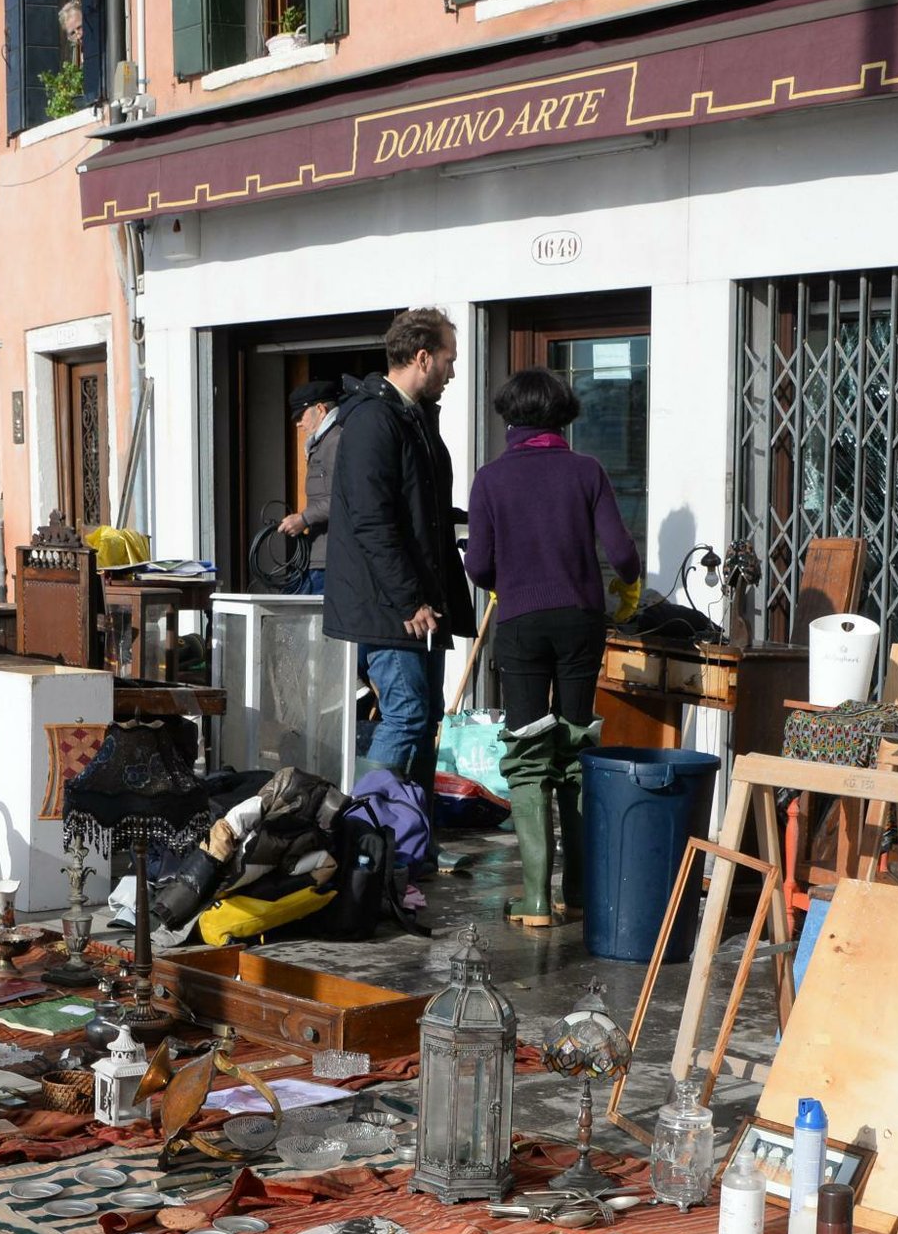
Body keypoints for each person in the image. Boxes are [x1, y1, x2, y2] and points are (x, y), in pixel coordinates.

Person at [464, 366, 641, 927]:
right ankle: (581, 890)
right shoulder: (587, 471)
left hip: (520, 621)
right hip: (581, 621)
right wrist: (625, 587)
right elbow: (623, 552)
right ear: (563, 418)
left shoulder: (490, 479)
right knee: (575, 745)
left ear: (510, 420)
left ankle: (537, 899)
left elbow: (479, 566)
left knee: (528, 752)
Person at [323, 309, 476, 805]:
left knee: (424, 718)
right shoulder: (374, 420)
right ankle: (368, 834)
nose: (453, 372)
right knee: (407, 717)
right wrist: (410, 600)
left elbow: (417, 508)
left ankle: (412, 844)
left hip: (415, 604)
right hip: (390, 608)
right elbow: (373, 521)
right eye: (449, 360)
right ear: (423, 356)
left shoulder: (412, 418)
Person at [274, 378, 342, 595]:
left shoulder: (336, 441)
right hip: (320, 557)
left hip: (331, 560)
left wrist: (303, 519)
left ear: (320, 409)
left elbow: (342, 497)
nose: (297, 423)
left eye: (300, 416)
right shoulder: (323, 442)